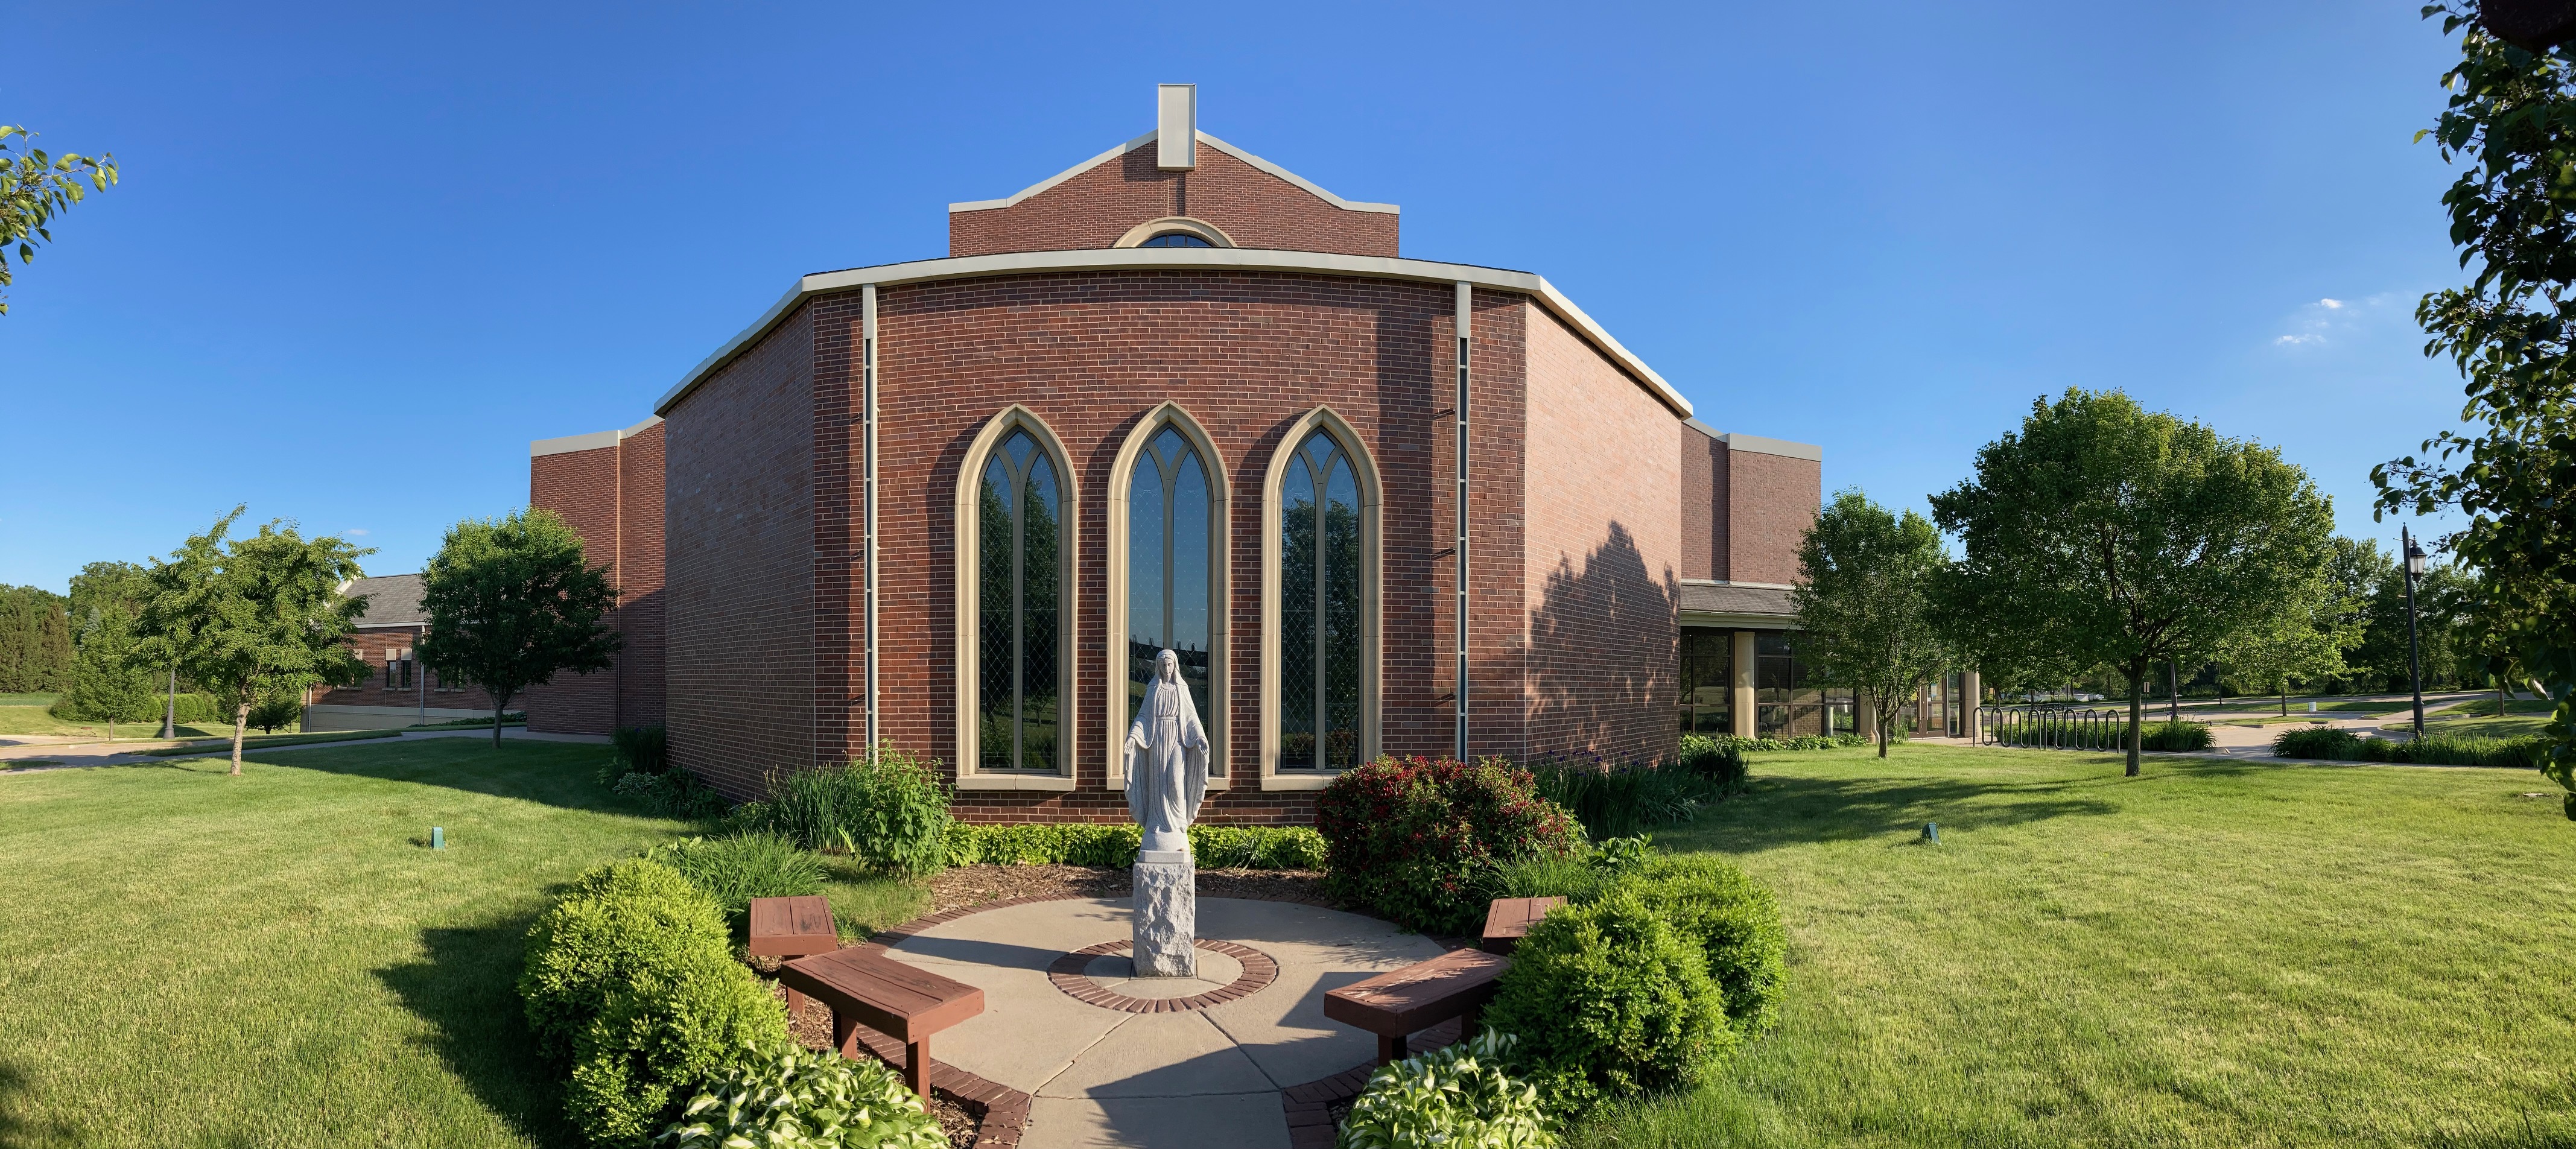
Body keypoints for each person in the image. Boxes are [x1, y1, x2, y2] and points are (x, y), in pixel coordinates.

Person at [1124, 648, 1209, 853]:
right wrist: (1133, 736)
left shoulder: (1182, 689)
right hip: (1157, 740)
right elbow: (1143, 717)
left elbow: (1191, 717)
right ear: (1158, 667)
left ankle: (1179, 824)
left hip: (1178, 740)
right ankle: (1156, 824)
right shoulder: (1153, 688)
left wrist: (1199, 737)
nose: (1166, 668)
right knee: (1158, 783)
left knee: (1174, 781)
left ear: (1175, 666)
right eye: (1163, 665)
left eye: (1170, 664)